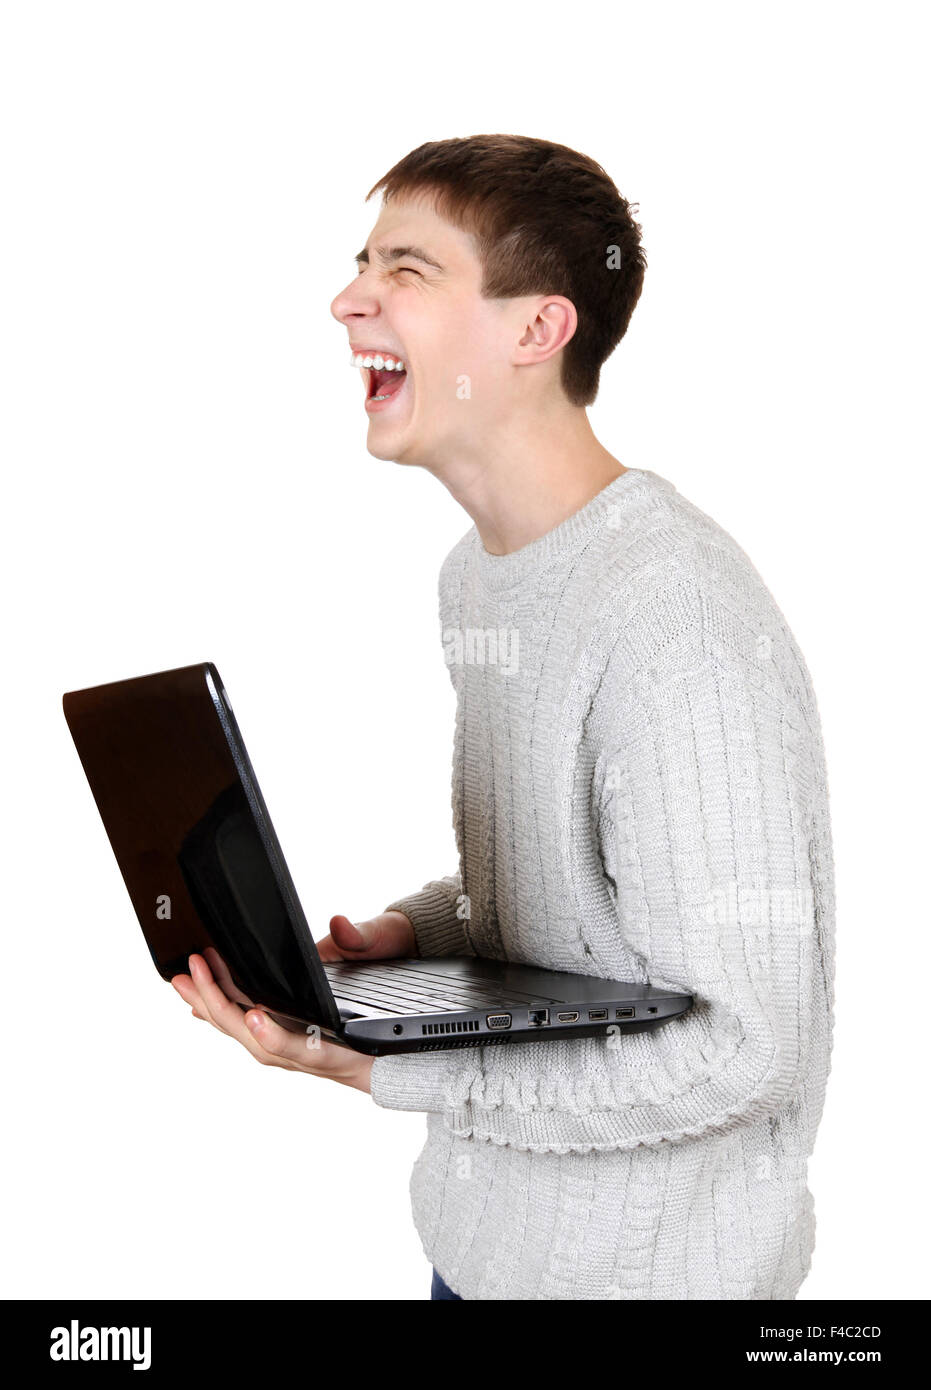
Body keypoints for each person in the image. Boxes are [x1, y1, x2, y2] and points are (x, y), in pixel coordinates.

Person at [171, 135, 836, 1302]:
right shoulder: (477, 577)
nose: (347, 299)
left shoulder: (677, 619)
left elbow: (746, 1047)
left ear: (536, 330)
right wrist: (421, 927)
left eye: (408, 270)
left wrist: (376, 1069)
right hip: (478, 1252)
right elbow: (588, 899)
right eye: (361, 261)